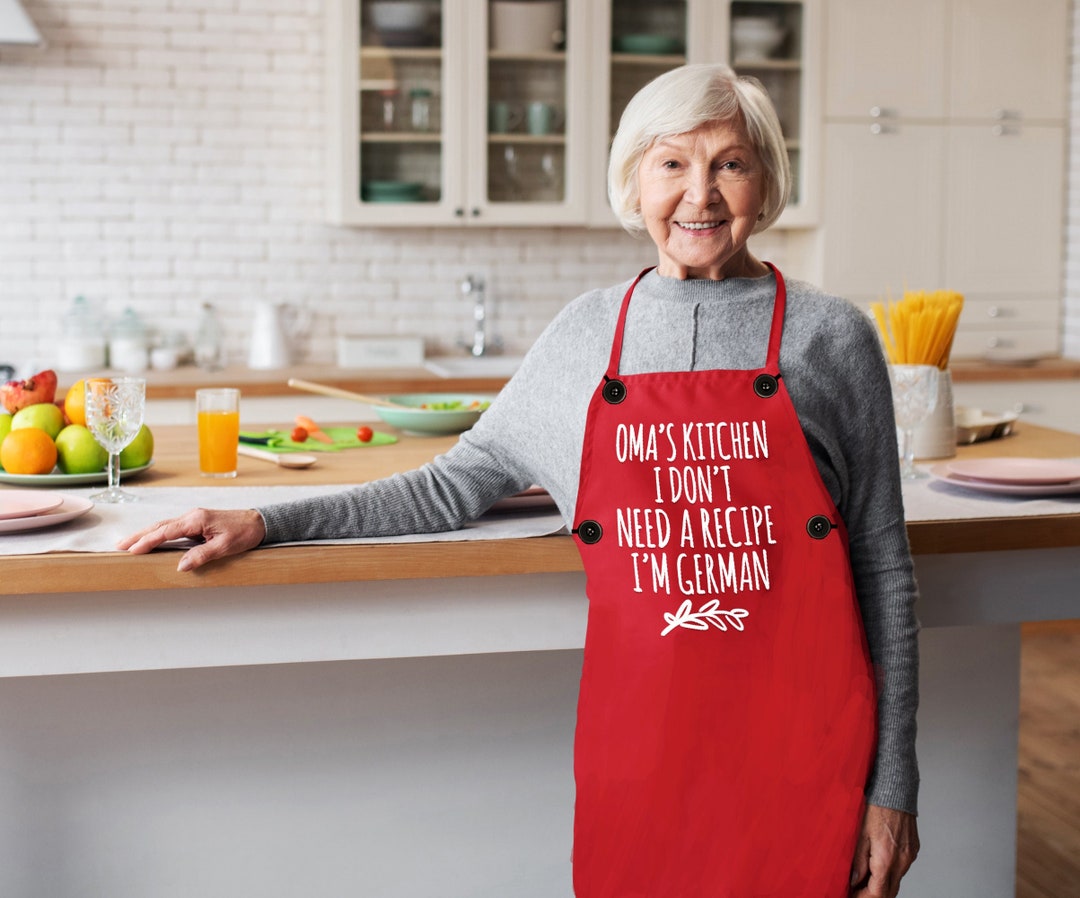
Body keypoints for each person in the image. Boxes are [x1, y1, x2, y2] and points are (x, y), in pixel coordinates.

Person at [121, 63, 920, 897]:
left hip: (804, 745)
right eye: (672, 163)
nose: (701, 195)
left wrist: (894, 786)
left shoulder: (833, 339)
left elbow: (883, 565)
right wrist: (267, 521)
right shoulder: (585, 336)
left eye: (730, 163)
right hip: (643, 752)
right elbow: (450, 483)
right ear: (634, 180)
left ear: (765, 180)